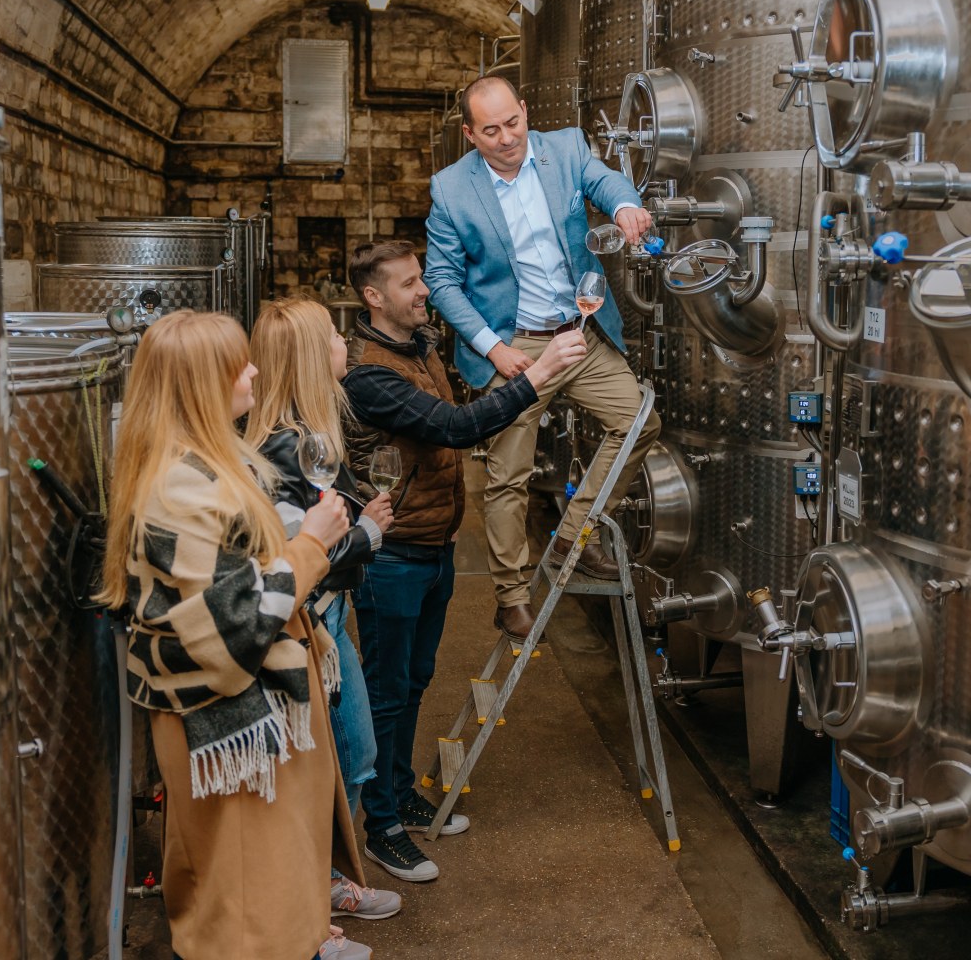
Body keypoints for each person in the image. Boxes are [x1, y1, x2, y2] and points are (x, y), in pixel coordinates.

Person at [97, 310, 369, 960]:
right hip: (232, 723)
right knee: (248, 915)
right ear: (203, 382)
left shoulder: (209, 461)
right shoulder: (177, 490)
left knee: (258, 893)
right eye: (239, 363)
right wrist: (312, 545)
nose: (253, 372)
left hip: (253, 724)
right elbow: (237, 623)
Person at [341, 239, 586, 883]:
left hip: (434, 542)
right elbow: (453, 427)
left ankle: (394, 795)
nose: (424, 291)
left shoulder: (419, 346)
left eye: (421, 278)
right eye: (409, 283)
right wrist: (537, 376)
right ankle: (380, 826)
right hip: (391, 557)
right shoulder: (369, 373)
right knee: (387, 693)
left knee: (416, 681)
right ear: (374, 298)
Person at [423, 74, 662, 641]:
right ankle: (509, 595)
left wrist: (626, 204)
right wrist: (494, 348)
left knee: (637, 425)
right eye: (491, 130)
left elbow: (603, 182)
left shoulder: (565, 148)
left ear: (525, 110)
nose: (507, 138)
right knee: (509, 478)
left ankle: (571, 540)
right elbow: (441, 280)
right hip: (517, 343)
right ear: (469, 134)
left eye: (513, 122)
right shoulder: (452, 189)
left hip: (577, 329)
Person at [246, 296, 405, 926]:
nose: (347, 342)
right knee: (332, 762)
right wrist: (365, 535)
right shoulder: (287, 450)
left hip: (327, 622)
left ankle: (325, 883)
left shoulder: (307, 438)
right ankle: (313, 899)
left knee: (349, 756)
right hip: (308, 626)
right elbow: (297, 559)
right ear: (314, 359)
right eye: (335, 337)